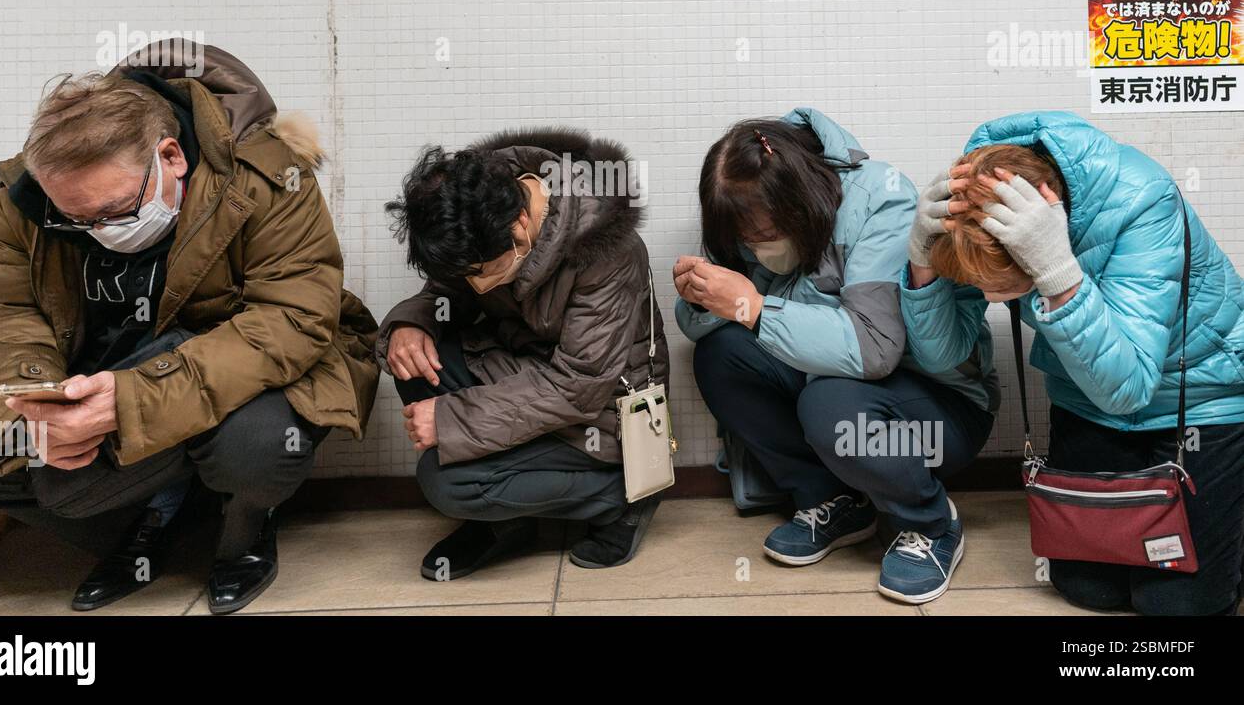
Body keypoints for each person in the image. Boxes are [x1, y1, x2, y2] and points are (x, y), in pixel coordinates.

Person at [0, 41, 380, 614]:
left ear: (171, 157)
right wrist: (36, 408)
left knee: (258, 446)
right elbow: (0, 315)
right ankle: (155, 522)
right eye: (77, 220)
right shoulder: (28, 196)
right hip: (95, 379)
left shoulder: (268, 173)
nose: (99, 230)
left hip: (236, 380)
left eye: (117, 210)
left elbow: (292, 320)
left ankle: (244, 528)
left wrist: (131, 402)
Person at [902, 111, 1244, 616]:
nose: (987, 299)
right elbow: (943, 355)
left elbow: (1131, 388)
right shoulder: (975, 208)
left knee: (1176, 607)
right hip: (1088, 399)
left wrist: (1058, 273)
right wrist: (921, 260)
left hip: (1196, 402)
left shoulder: (1141, 196)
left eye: (1000, 287)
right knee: (1087, 590)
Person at [675, 108, 997, 604]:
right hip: (836, 389)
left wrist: (753, 305)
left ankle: (930, 523)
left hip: (938, 407)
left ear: (799, 205)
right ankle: (835, 501)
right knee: (722, 354)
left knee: (828, 403)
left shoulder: (882, 198)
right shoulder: (750, 212)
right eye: (743, 239)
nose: (754, 247)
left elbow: (875, 349)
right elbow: (718, 322)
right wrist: (702, 296)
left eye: (761, 234)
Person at [378, 128, 667, 580]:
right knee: (417, 360)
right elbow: (444, 290)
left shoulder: (608, 249)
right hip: (527, 371)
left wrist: (455, 420)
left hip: (601, 412)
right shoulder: (484, 208)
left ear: (518, 227)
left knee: (446, 481)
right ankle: (506, 523)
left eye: (479, 273)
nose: (473, 286)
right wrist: (410, 324)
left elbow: (580, 387)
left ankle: (625, 494)